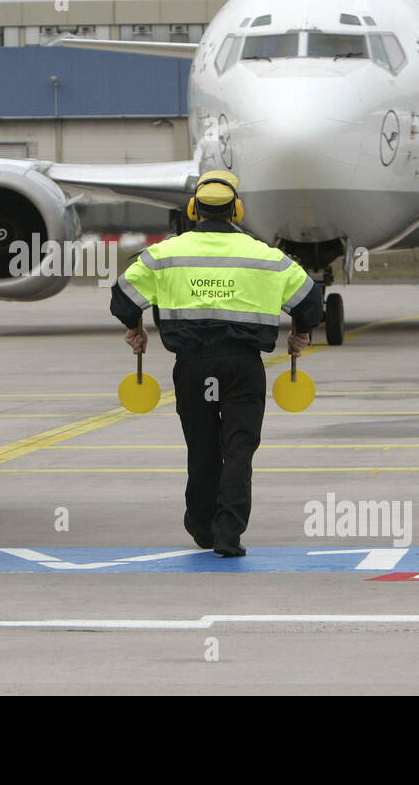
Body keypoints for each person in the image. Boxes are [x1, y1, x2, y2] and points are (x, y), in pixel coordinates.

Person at [109, 171, 324, 556]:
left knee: (202, 447)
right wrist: (300, 332)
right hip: (243, 368)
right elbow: (310, 300)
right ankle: (229, 533)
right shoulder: (265, 256)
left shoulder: (165, 253)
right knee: (239, 449)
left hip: (193, 366)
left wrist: (135, 328)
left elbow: (123, 297)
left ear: (193, 210)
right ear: (236, 211)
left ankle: (201, 526)